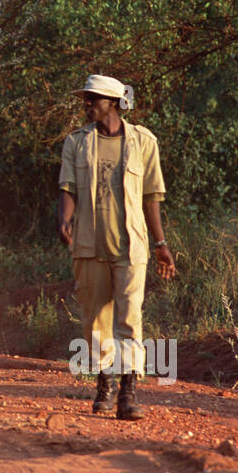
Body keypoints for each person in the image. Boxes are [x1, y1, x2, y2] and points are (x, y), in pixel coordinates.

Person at [57, 75, 175, 421]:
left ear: (113, 102)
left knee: (129, 318)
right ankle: (105, 382)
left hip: (131, 246)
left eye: (93, 100)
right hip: (89, 244)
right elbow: (67, 188)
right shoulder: (76, 142)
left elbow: (152, 196)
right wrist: (64, 220)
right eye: (86, 99)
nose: (87, 105)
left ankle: (128, 390)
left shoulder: (142, 141)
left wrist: (161, 244)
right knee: (95, 320)